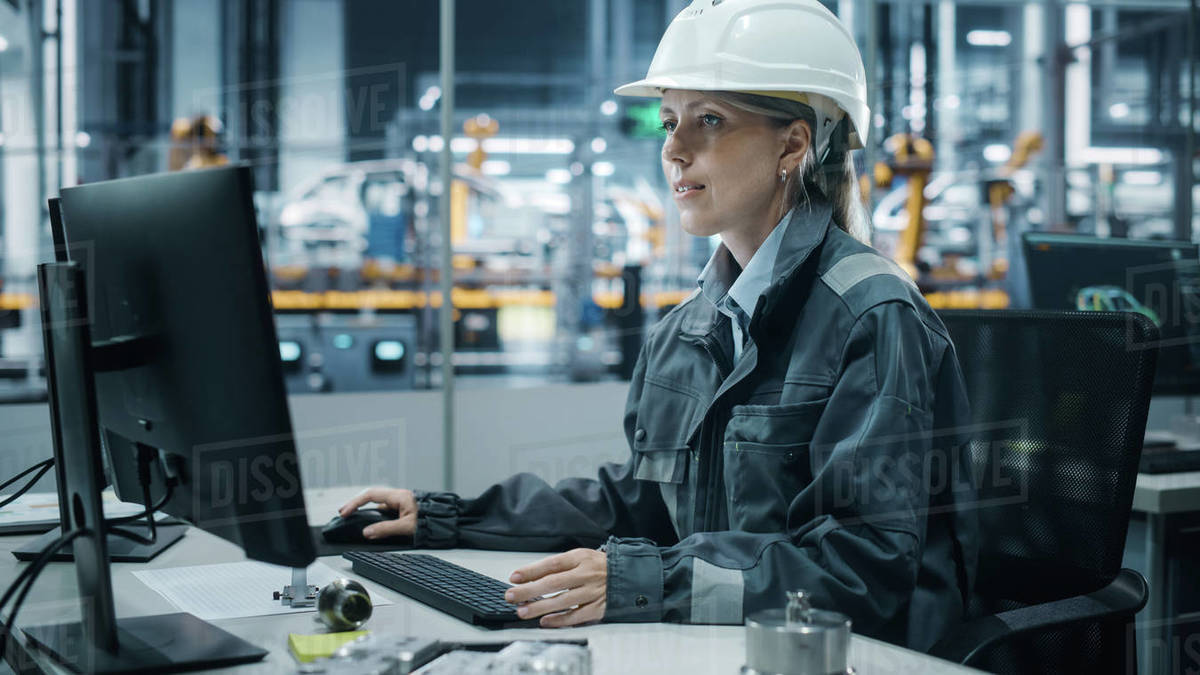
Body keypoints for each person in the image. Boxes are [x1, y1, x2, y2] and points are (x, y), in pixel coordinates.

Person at [339, 0, 978, 650]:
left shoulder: (872, 317)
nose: (673, 148)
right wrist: (451, 517)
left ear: (793, 143)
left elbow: (859, 568)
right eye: (670, 121)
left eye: (709, 121)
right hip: (719, 649)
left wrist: (644, 578)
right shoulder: (688, 331)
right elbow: (636, 504)